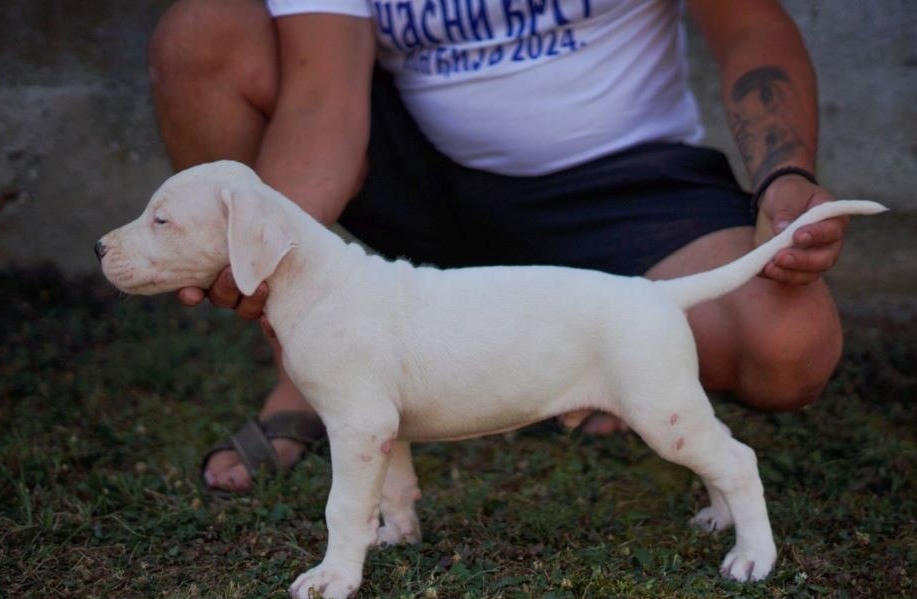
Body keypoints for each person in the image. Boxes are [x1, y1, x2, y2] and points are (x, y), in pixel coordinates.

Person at [149, 0, 850, 492]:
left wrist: (784, 171)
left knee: (787, 348)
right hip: (426, 179)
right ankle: (310, 374)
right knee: (206, 32)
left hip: (624, 186)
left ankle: (591, 352)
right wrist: (264, 251)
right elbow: (321, 102)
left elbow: (751, 25)